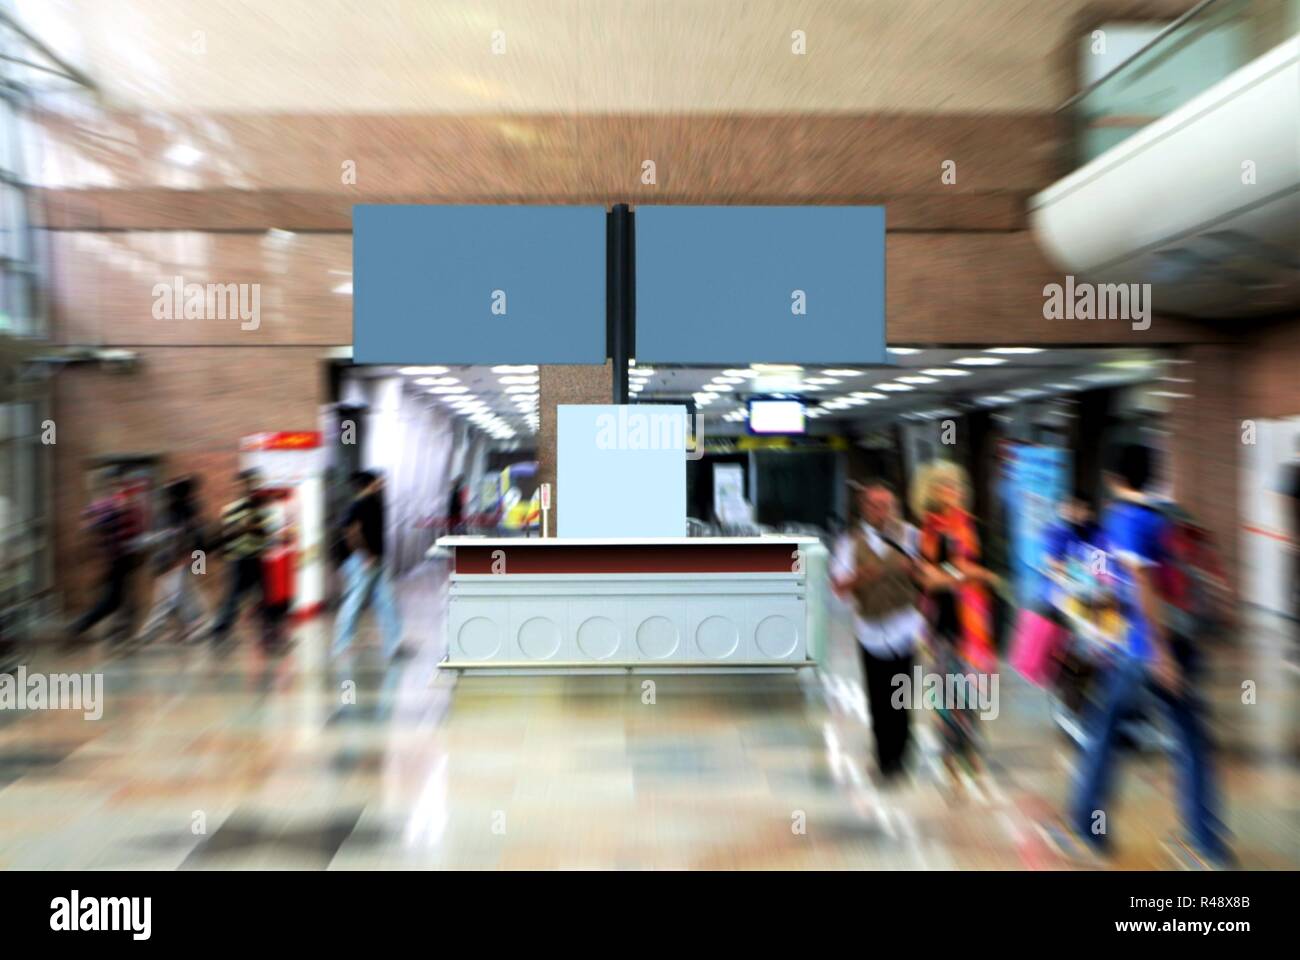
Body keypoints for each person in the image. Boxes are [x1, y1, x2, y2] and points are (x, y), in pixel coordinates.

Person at [1066, 442, 1231, 866]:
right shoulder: (1166, 516)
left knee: (1105, 735)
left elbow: (1141, 585)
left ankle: (1089, 825)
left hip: (1145, 652)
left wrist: (1158, 653)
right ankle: (1207, 843)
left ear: (1114, 478)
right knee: (1191, 743)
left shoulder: (1126, 519)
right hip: (1177, 644)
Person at [911, 460, 1001, 786]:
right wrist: (963, 575)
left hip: (974, 625)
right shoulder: (929, 532)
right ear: (932, 492)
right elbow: (929, 580)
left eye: (957, 485)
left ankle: (970, 748)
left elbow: (989, 574)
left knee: (974, 689)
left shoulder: (973, 528)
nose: (954, 492)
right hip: (943, 622)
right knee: (946, 689)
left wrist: (960, 574)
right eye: (945, 486)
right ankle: (949, 748)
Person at [832, 481, 928, 781]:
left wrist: (915, 572)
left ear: (895, 508)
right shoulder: (850, 543)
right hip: (869, 631)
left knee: (900, 696)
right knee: (877, 697)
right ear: (864, 507)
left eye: (886, 505)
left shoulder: (912, 537)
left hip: (904, 627)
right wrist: (859, 577)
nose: (880, 511)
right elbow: (838, 588)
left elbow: (928, 577)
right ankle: (883, 756)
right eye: (874, 505)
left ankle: (900, 756)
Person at [332, 470, 404, 659]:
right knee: (355, 601)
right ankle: (342, 643)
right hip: (362, 561)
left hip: (376, 560)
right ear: (369, 484)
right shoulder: (357, 505)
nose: (381, 484)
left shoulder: (375, 503)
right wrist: (365, 555)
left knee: (386, 601)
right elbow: (350, 532)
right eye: (378, 481)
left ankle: (393, 643)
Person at [69, 468, 145, 643]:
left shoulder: (111, 504)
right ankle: (80, 626)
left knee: (124, 598)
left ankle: (122, 631)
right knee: (113, 600)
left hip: (122, 558)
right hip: (115, 558)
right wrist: (115, 513)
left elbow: (88, 524)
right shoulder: (107, 506)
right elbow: (89, 526)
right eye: (116, 485)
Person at [136, 476, 210, 644]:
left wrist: (197, 564)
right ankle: (192, 627)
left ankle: (191, 628)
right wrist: (197, 564)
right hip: (174, 563)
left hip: (176, 562)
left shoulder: (178, 512)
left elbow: (197, 539)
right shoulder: (179, 513)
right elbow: (196, 538)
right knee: (173, 599)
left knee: (175, 598)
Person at [210, 468, 276, 649]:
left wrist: (254, 528)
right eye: (249, 482)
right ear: (241, 485)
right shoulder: (232, 510)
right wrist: (240, 530)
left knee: (265, 597)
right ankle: (219, 631)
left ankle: (270, 633)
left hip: (256, 558)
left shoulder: (261, 509)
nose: (253, 486)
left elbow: (265, 534)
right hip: (239, 559)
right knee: (233, 598)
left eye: (255, 482)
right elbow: (223, 535)